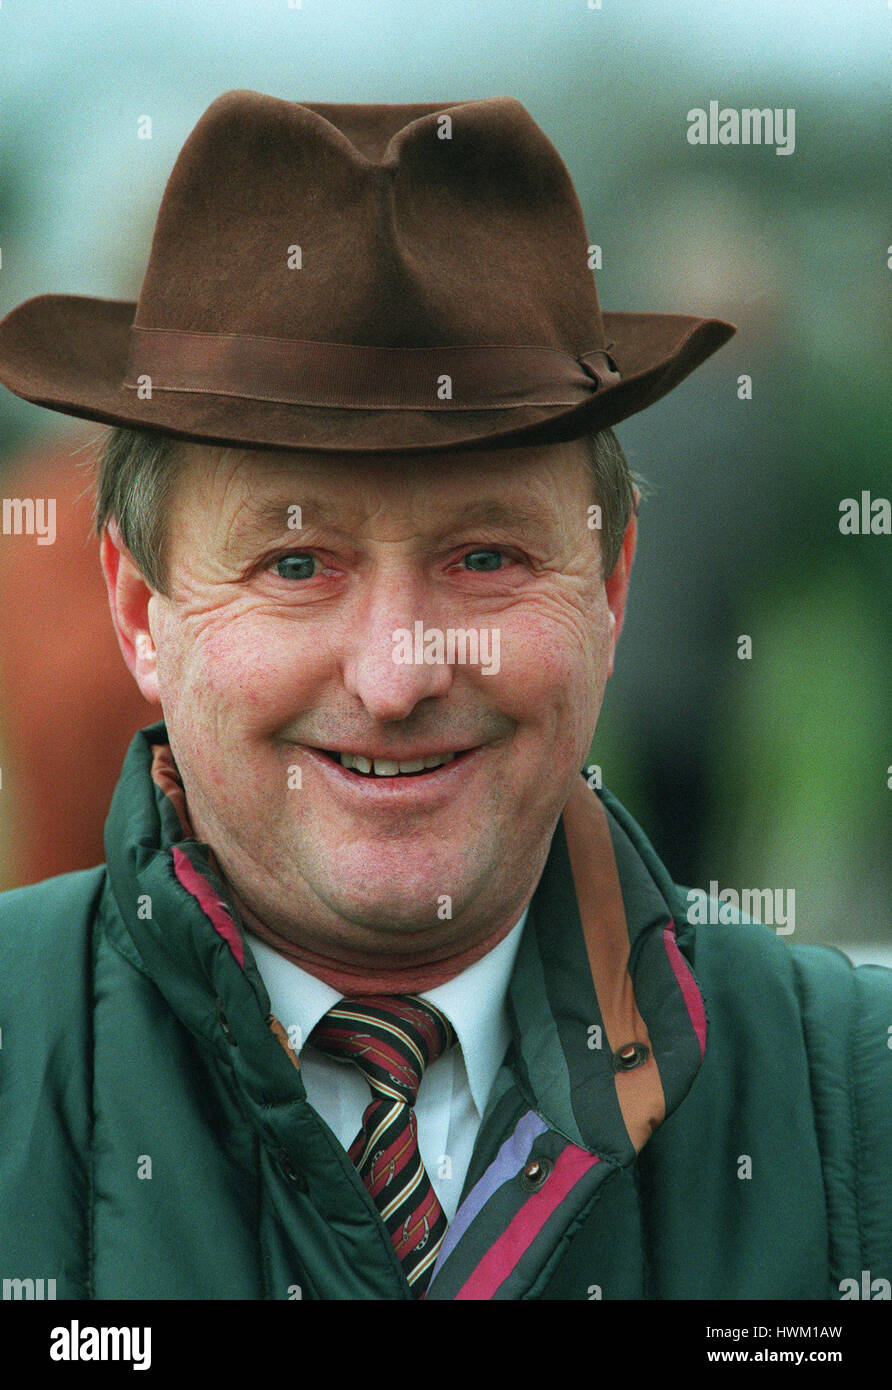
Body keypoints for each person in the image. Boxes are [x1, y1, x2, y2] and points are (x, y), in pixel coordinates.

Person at [0, 91, 888, 1302]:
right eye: (298, 564)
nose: (397, 673)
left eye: (485, 558)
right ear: (137, 608)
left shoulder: (856, 1105)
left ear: (611, 588)